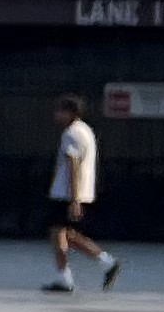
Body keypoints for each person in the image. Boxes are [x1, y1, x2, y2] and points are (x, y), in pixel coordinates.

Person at [41, 95, 120, 293]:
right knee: (69, 235)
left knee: (57, 234)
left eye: (59, 111)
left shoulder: (71, 133)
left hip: (66, 193)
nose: (56, 115)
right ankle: (107, 262)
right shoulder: (86, 130)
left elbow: (74, 165)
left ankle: (65, 279)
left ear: (70, 112)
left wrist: (74, 199)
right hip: (80, 192)